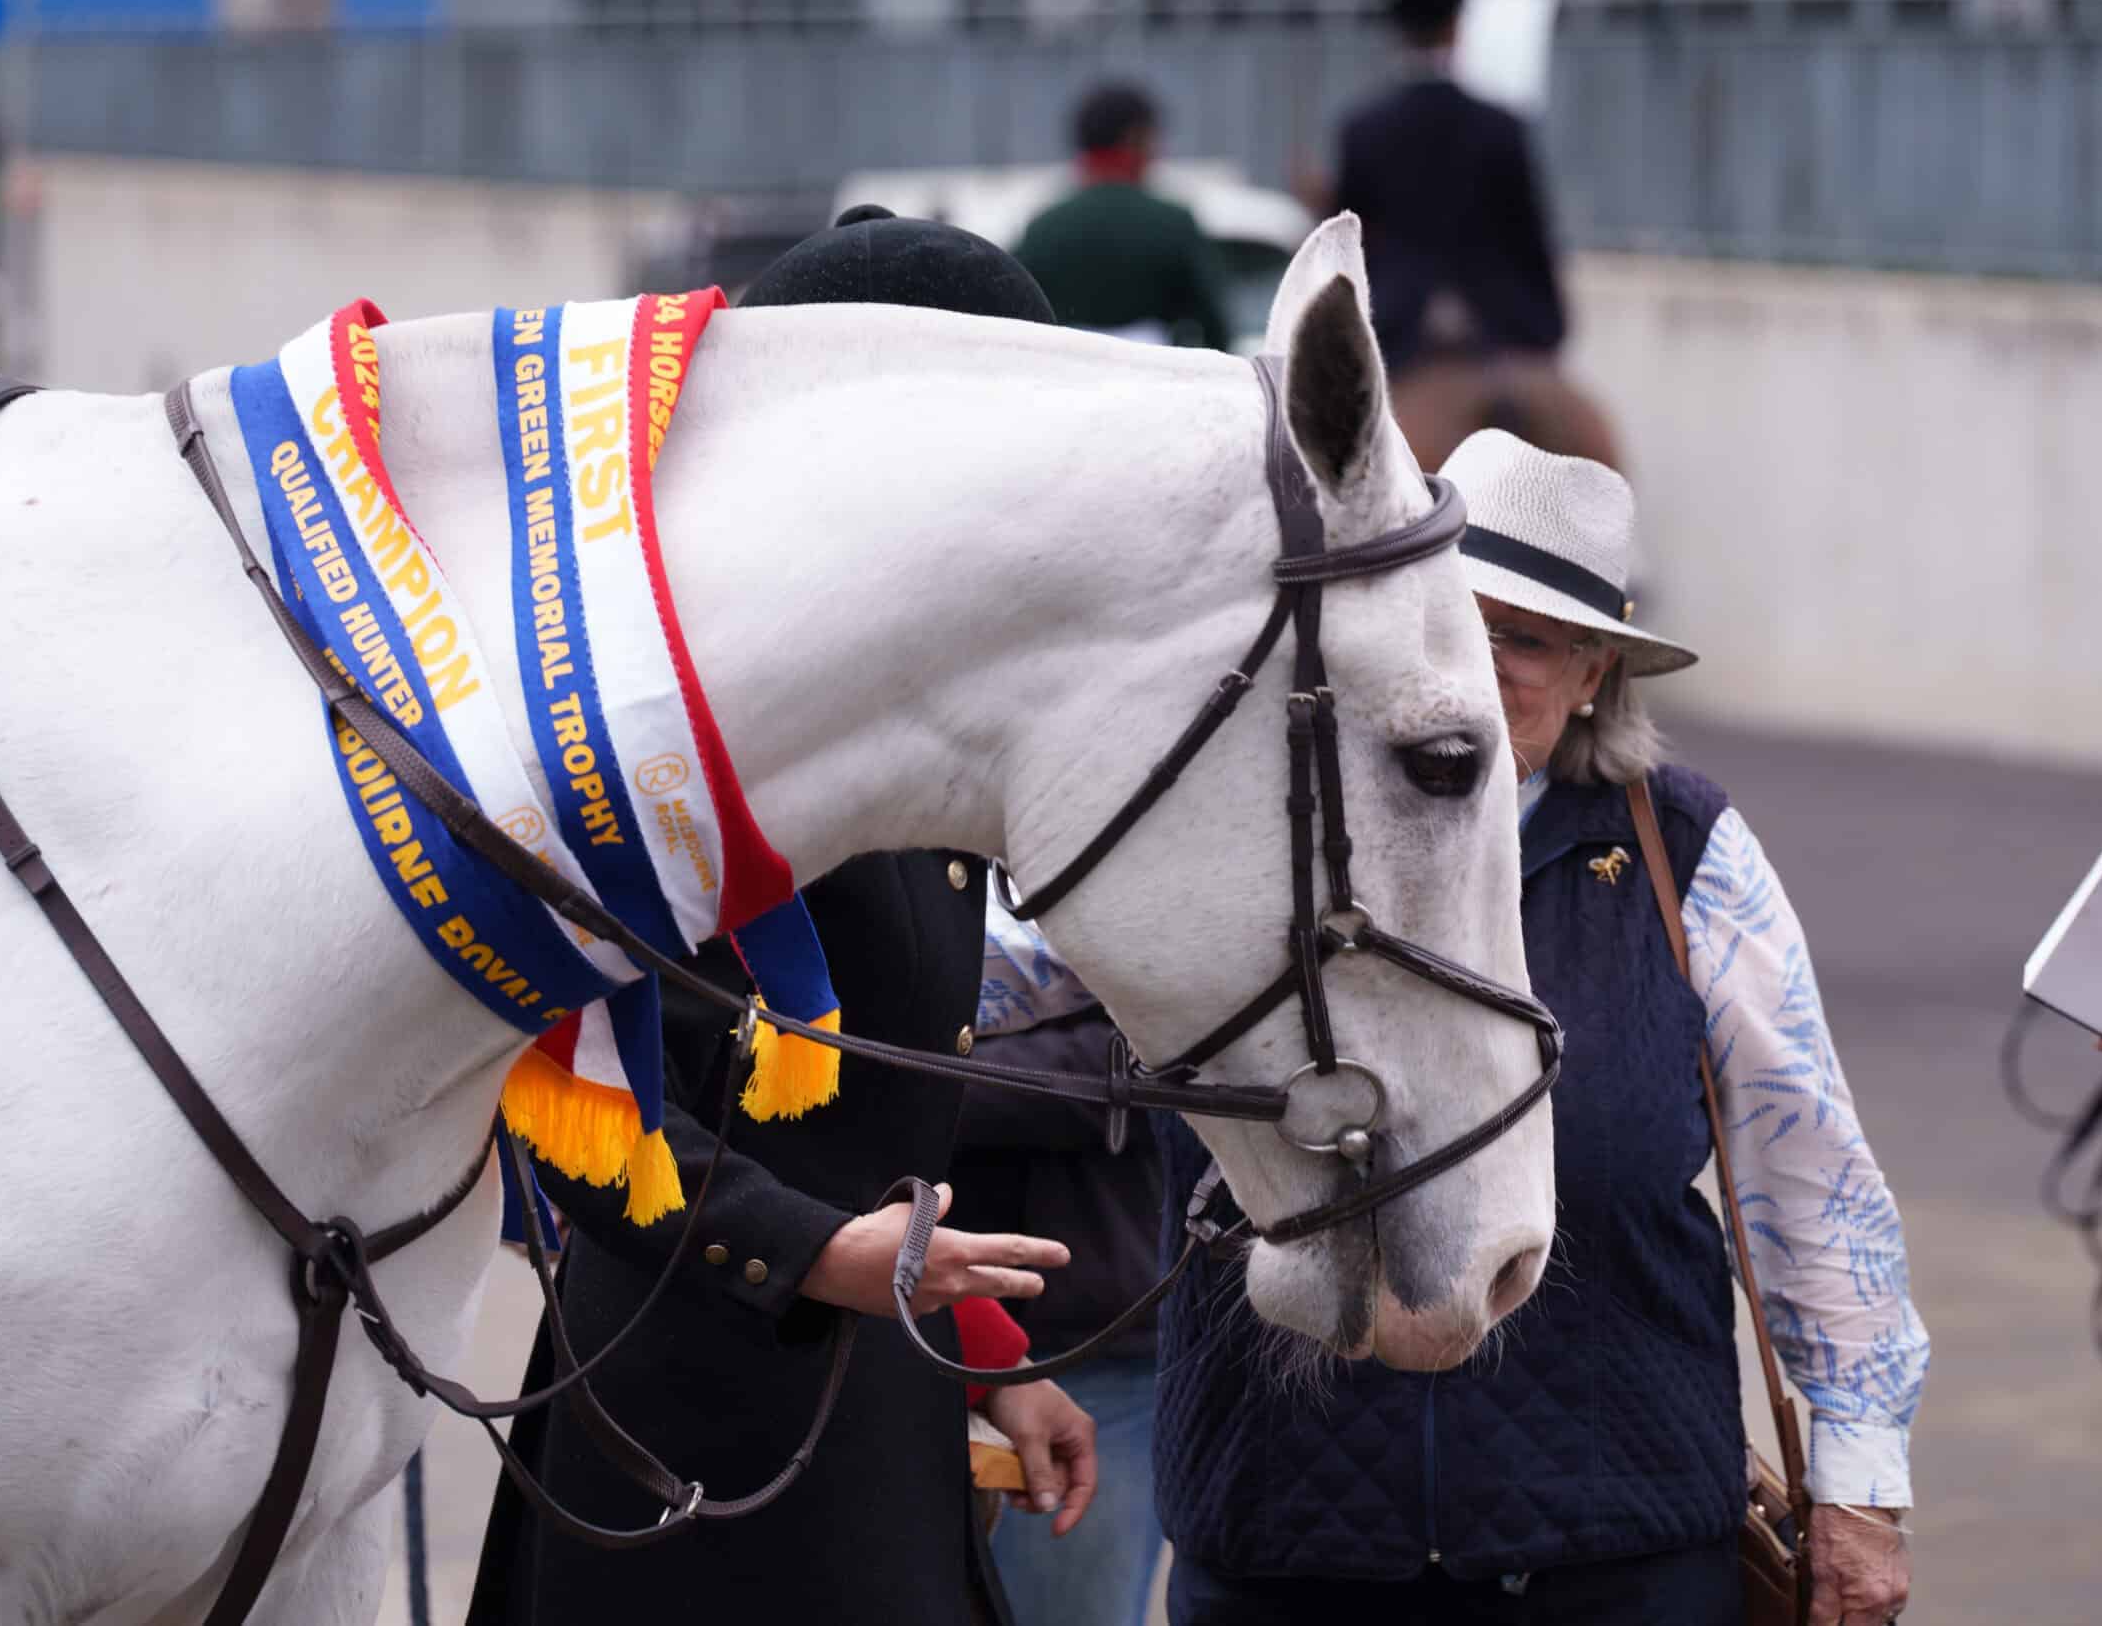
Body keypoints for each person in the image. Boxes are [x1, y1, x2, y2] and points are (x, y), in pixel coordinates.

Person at [1139, 432, 1924, 1625]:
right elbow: (1027, 1014)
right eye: (1457, 614)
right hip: (1284, 1537)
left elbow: (1808, 1165)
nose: (1478, 658)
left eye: (1529, 638)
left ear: (1597, 670)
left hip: (1614, 1553)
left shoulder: (1680, 849)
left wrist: (1861, 1486)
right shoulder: (1243, 818)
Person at [467, 208, 1097, 1626]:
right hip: (680, 1453)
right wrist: (813, 1255)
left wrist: (989, 1346)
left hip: (874, 1414)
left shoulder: (909, 695)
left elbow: (866, 1125)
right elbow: (570, 1089)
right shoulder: (651, 713)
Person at [959, 905, 1168, 1624]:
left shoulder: (1148, 844)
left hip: (1090, 1341)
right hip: (888, 1316)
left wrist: (910, 1076)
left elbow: (1152, 1058)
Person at [1329, 0, 1616, 472]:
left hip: (1405, 327)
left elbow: (1349, 240)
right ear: (1457, 27)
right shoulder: (1501, 125)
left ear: (1397, 31)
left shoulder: (1365, 129)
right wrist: (1545, 328)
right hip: (1507, 323)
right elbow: (1530, 235)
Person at [1014, 81, 1231, 351]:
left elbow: (1014, 314)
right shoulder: (1173, 223)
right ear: (1135, 137)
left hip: (1066, 382)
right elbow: (1215, 326)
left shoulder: (1043, 229)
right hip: (1159, 383)